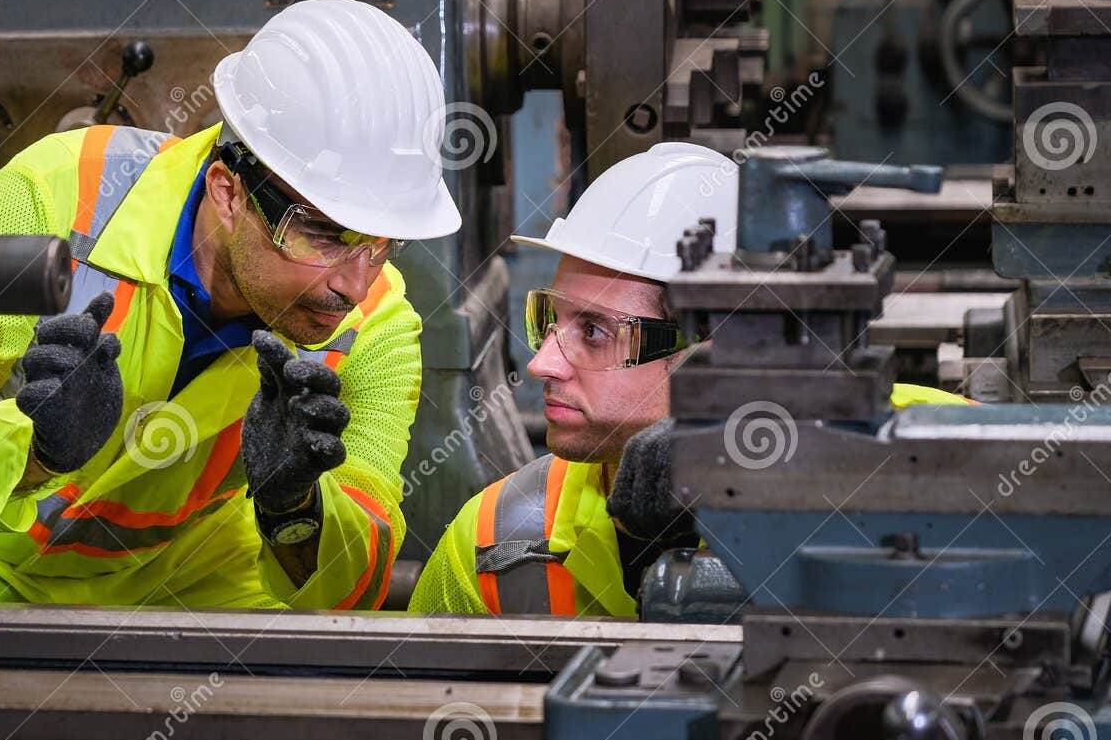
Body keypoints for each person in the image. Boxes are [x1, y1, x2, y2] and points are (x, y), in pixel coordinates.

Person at [0, 0, 461, 609]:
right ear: (229, 191)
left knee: (317, 684)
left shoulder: (377, 328)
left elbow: (352, 587)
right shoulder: (59, 193)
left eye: (382, 244)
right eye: (320, 234)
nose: (353, 283)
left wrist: (295, 508)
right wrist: (34, 445)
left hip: (181, 569)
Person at [409, 142, 968, 617]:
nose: (542, 365)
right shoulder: (495, 544)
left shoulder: (941, 458)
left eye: (596, 333)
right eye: (550, 321)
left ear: (717, 351)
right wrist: (640, 556)